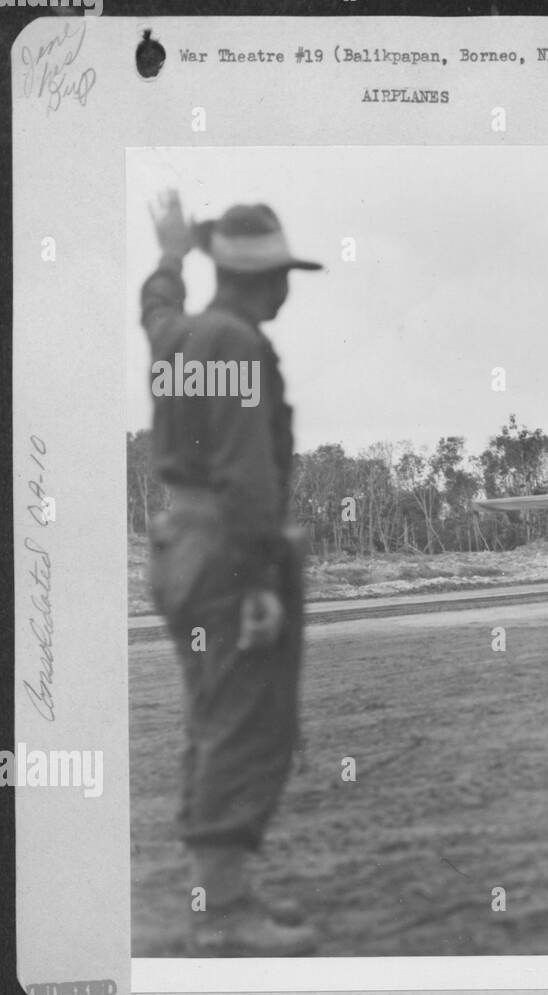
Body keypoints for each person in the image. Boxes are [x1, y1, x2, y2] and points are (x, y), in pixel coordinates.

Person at [142, 191, 322, 956]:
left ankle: (220, 893)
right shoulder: (240, 343)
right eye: (281, 273)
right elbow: (249, 474)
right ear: (262, 278)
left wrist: (171, 254)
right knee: (245, 720)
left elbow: (153, 310)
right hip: (226, 549)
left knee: (213, 713)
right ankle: (220, 913)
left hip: (177, 540)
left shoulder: (181, 334)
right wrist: (256, 581)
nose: (288, 287)